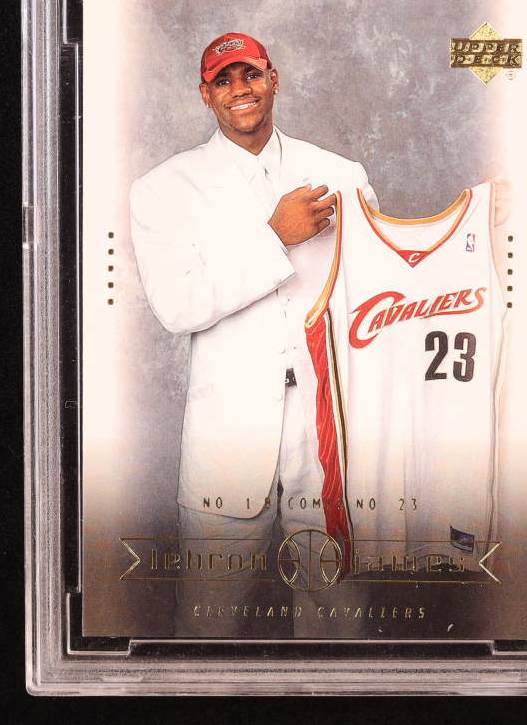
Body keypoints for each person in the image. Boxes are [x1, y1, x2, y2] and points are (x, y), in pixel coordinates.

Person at [129, 32, 378, 636]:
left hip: (327, 430)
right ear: (205, 94)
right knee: (208, 622)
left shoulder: (339, 174)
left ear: (274, 79)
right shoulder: (163, 188)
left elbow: (377, 289)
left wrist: (474, 227)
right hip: (228, 434)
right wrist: (275, 236)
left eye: (251, 74)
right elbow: (178, 305)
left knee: (337, 622)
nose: (239, 89)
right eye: (223, 80)